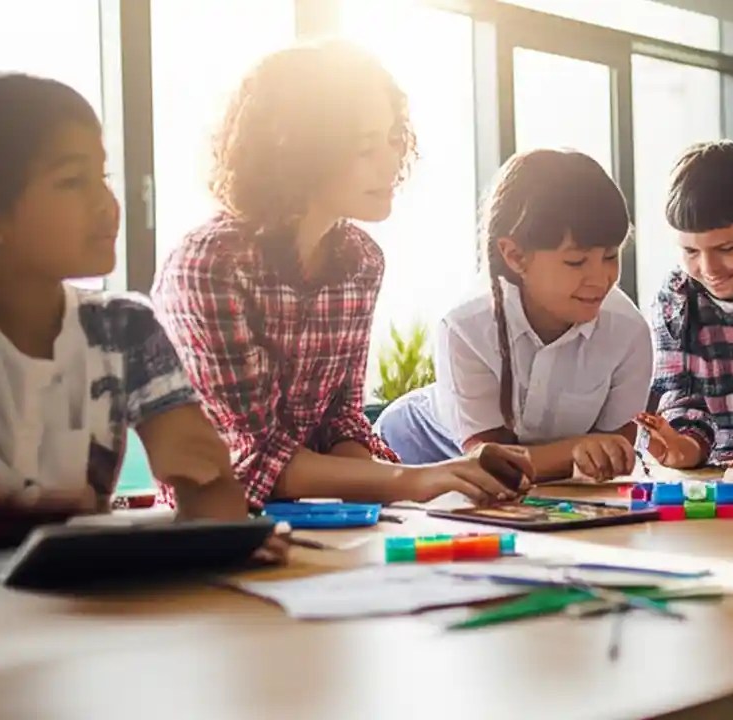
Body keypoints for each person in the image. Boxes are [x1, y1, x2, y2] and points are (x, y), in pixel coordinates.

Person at [153, 42, 529, 510]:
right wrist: (417, 480)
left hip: (321, 515)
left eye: (393, 139)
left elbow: (340, 422)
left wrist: (409, 486)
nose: (391, 161)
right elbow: (254, 459)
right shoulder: (211, 264)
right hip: (218, 523)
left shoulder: (360, 260)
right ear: (299, 153)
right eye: (365, 147)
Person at [0, 73, 280, 559]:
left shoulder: (121, 329)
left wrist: (216, 534)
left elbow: (209, 487)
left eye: (102, 178)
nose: (107, 206)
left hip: (84, 606)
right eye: (71, 182)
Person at [376, 149, 653, 483]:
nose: (601, 279)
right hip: (417, 451)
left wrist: (591, 453)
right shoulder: (467, 326)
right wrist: (577, 450)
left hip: (536, 477)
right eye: (576, 262)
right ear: (515, 255)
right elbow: (489, 464)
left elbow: (614, 454)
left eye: (610, 256)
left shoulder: (628, 331)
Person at [636, 140, 733, 486]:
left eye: (726, 248)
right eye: (690, 250)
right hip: (709, 478)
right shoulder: (676, 301)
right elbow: (679, 392)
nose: (708, 267)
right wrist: (683, 446)